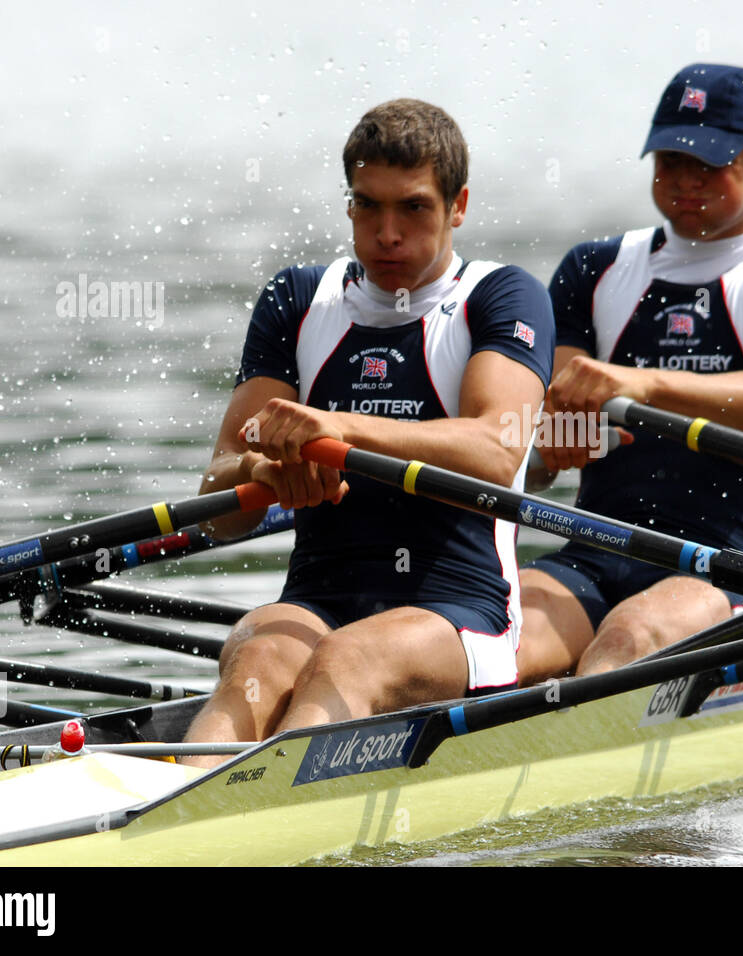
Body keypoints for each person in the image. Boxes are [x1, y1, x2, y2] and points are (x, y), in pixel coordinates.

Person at [182, 99, 554, 764]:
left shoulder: (501, 297)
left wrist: (334, 429)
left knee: (347, 657)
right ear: (348, 204)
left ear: (457, 206)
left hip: (460, 612)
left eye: (413, 207)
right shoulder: (296, 301)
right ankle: (169, 825)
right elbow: (217, 503)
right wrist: (260, 475)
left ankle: (253, 821)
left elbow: (496, 451)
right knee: (259, 655)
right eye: (367, 206)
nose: (387, 232)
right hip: (317, 599)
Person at [516, 63, 743, 681]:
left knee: (628, 637)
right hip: (592, 555)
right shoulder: (593, 269)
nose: (685, 182)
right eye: (671, 160)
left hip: (730, 569)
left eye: (711, 165)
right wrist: (550, 443)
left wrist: (638, 383)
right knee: (502, 640)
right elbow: (553, 429)